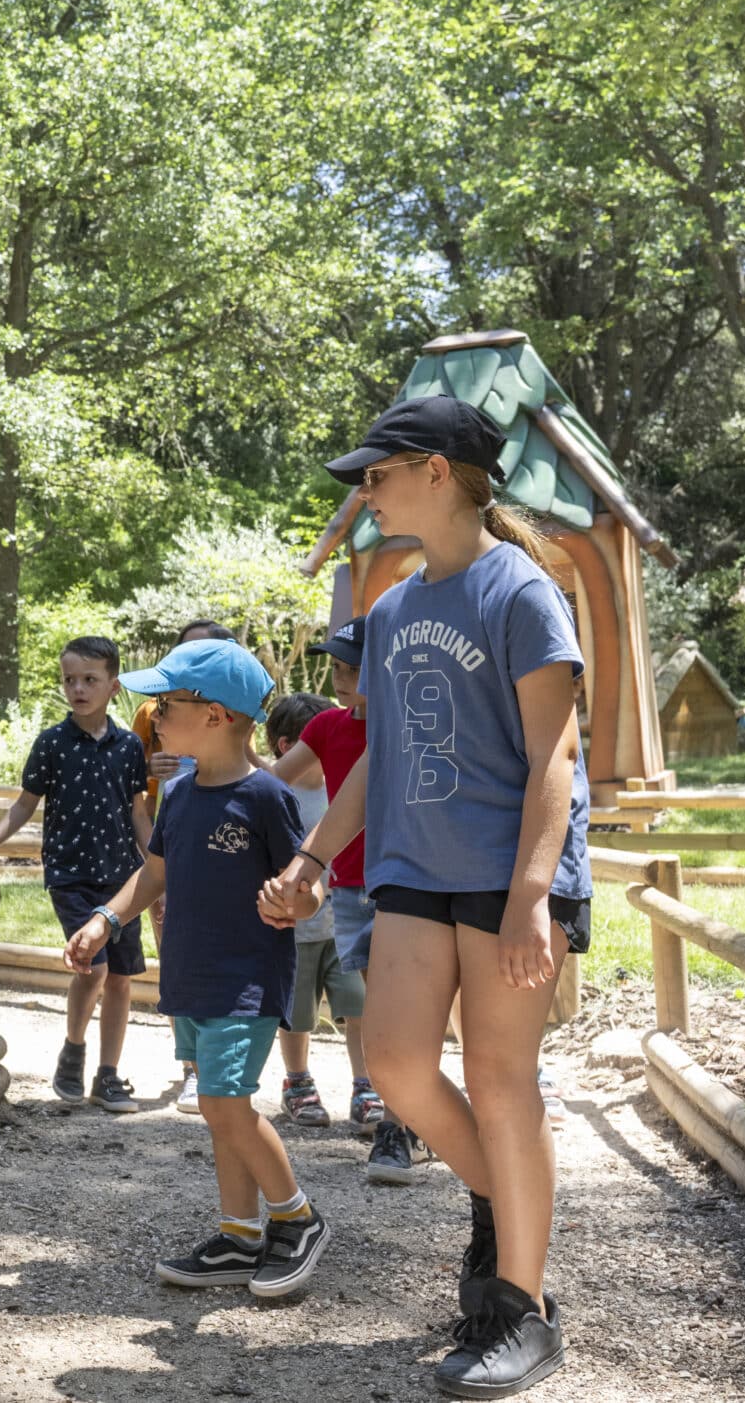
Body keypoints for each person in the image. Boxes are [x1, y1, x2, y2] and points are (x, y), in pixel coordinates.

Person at [261, 395, 591, 1399]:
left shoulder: (520, 591)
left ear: (437, 472)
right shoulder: (394, 609)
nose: (365, 492)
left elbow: (555, 756)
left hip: (505, 872)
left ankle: (520, 1309)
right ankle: (507, 1200)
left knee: (499, 1081)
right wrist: (314, 856)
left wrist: (532, 895)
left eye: (378, 474)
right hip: (412, 867)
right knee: (398, 1064)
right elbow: (379, 757)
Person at [67, 637, 330, 1299]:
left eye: (166, 704)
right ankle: (240, 1234)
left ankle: (297, 1218)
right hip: (192, 978)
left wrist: (297, 902)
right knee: (221, 1108)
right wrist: (105, 919)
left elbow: (310, 882)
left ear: (216, 714)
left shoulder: (266, 796)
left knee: (222, 1102)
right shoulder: (180, 794)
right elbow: (153, 874)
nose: (153, 714)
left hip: (247, 980)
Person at [270, 617, 423, 1179]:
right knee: (377, 1004)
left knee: (395, 1003)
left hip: (407, 881)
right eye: (336, 667)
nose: (341, 678)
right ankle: (403, 1115)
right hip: (349, 886)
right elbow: (273, 778)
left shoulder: (408, 723)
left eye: (353, 668)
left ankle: (400, 1122)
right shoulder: (327, 726)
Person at [0, 637, 152, 1111]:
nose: (78, 688)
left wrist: (160, 868)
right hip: (70, 875)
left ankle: (108, 1075)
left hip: (123, 879)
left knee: (120, 977)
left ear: (113, 686)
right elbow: (24, 805)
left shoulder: (130, 747)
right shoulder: (52, 743)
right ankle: (73, 1050)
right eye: (70, 680)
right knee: (93, 967)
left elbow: (138, 814)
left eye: (90, 680)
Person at [131, 618, 242, 1114]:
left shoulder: (232, 713)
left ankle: (225, 1066)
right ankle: (192, 1068)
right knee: (176, 957)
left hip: (224, 849)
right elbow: (133, 782)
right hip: (170, 842)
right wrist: (148, 770)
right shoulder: (150, 712)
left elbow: (253, 767)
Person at [263, 691, 359, 1130]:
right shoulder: (277, 796)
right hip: (294, 929)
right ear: (290, 747)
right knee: (297, 1014)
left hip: (344, 922)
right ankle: (297, 1081)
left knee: (359, 1006)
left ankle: (366, 1085)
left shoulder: (344, 786)